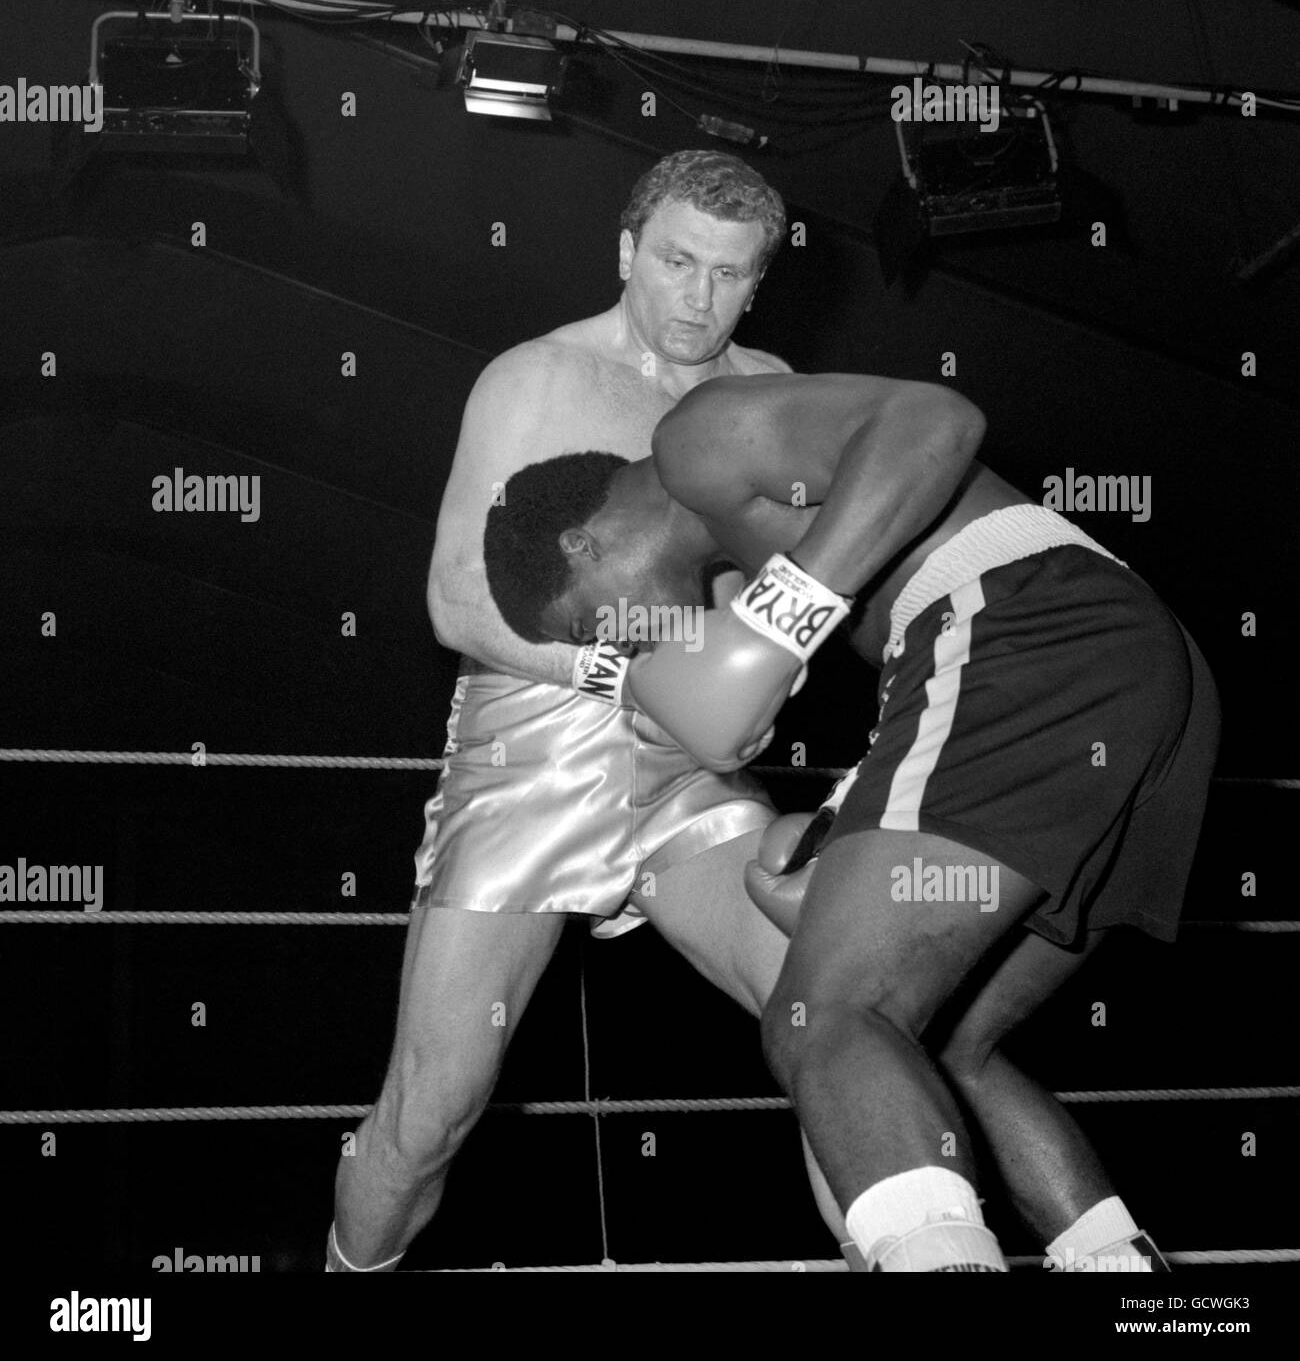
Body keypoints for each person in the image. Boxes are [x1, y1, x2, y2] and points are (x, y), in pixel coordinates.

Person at [483, 370, 1220, 1272]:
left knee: (819, 1013)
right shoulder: (745, 558)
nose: (619, 642)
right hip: (1127, 670)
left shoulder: (693, 443)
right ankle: (1134, 1286)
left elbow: (933, 419)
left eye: (591, 622)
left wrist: (780, 622)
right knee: (942, 1039)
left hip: (1026, 626)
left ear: (582, 542)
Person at [329, 150, 860, 1273]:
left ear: (759, 281)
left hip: (685, 773)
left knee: (841, 1013)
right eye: (675, 262)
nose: (697, 297)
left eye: (727, 273)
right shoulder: (533, 379)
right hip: (535, 748)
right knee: (431, 1113)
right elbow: (457, 601)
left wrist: (760, 685)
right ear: (626, 251)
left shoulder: (768, 391)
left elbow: (782, 595)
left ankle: (916, 1253)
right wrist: (658, 669)